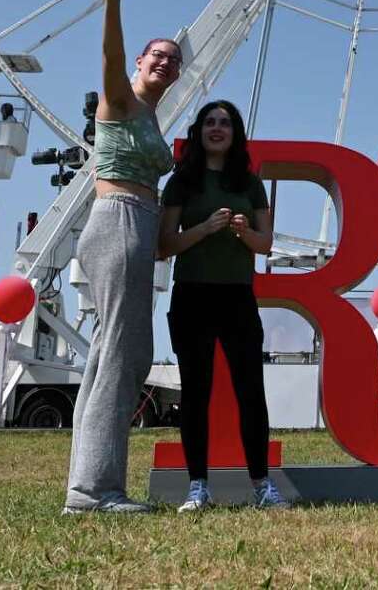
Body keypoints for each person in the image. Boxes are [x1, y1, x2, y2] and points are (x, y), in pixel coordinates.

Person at [63, 0, 182, 515]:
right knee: (125, 353)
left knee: (113, 354)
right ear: (139, 62)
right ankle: (95, 491)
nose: (164, 62)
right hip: (118, 217)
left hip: (135, 222)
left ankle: (86, 486)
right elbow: (109, 54)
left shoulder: (154, 119)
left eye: (173, 60)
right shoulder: (120, 102)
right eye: (157, 55)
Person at [158, 100, 285, 512]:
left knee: (251, 391)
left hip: (237, 295)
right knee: (196, 392)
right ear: (198, 131)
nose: (216, 128)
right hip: (192, 294)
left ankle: (262, 485)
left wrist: (243, 231)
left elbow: (264, 244)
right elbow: (164, 246)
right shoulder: (181, 182)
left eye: (224, 123)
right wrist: (205, 228)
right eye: (209, 122)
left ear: (236, 133)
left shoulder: (250, 184)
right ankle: (197, 486)